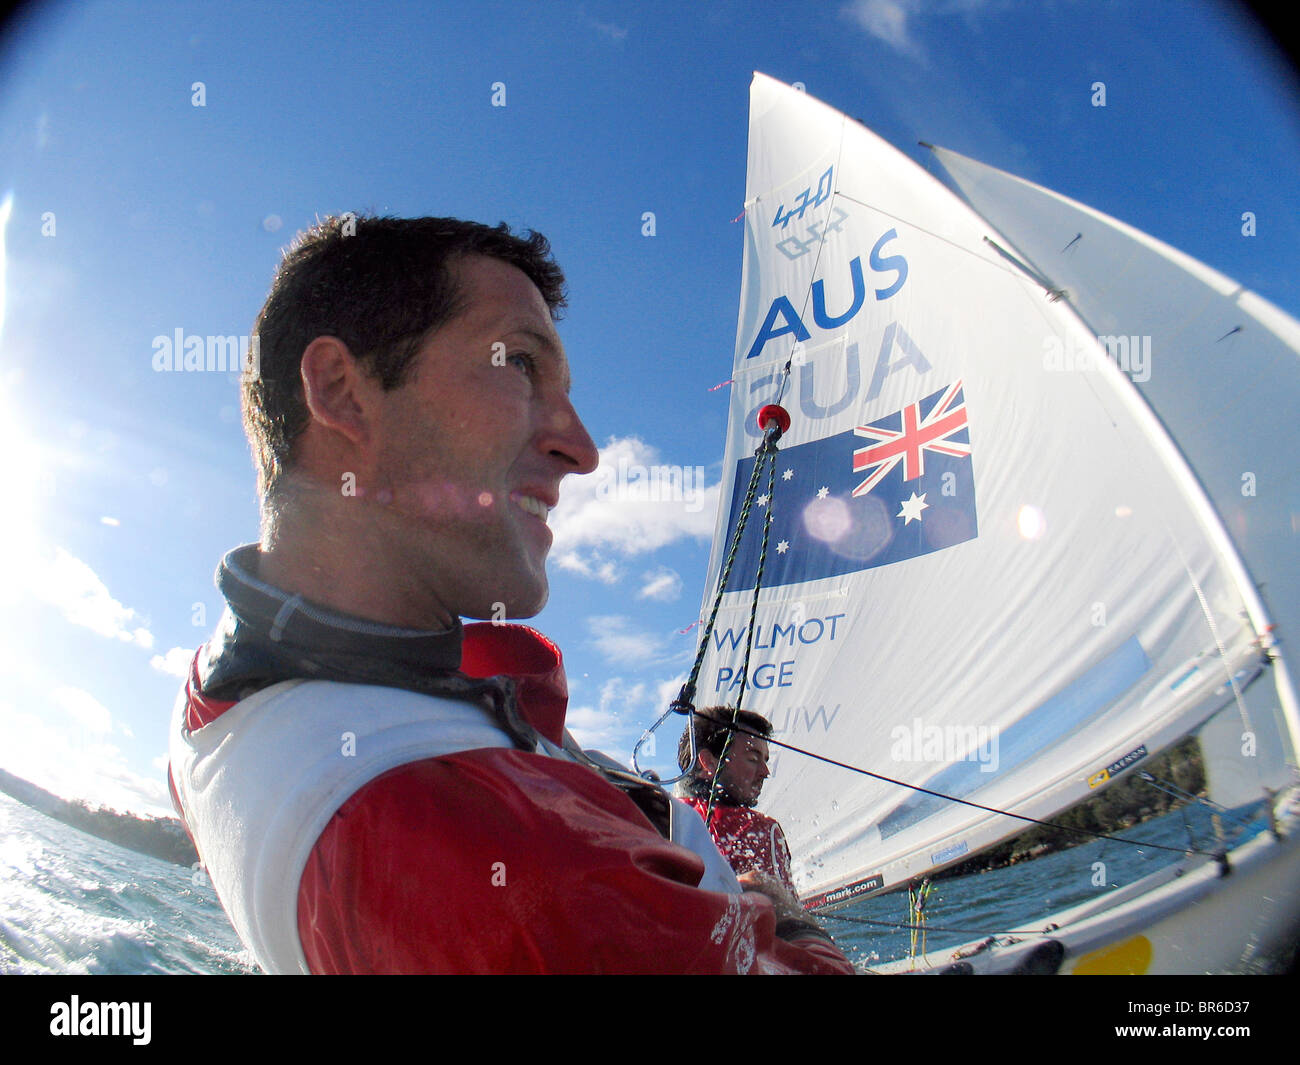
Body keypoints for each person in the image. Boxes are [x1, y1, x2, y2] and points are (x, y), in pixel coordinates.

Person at [168, 215, 853, 975]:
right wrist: (787, 915)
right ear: (341, 390)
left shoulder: (216, 696)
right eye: (519, 363)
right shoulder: (518, 870)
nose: (583, 449)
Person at [677, 706, 801, 903]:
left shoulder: (663, 817)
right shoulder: (762, 831)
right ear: (708, 762)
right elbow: (790, 921)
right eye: (753, 759)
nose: (765, 772)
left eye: (765, 760)